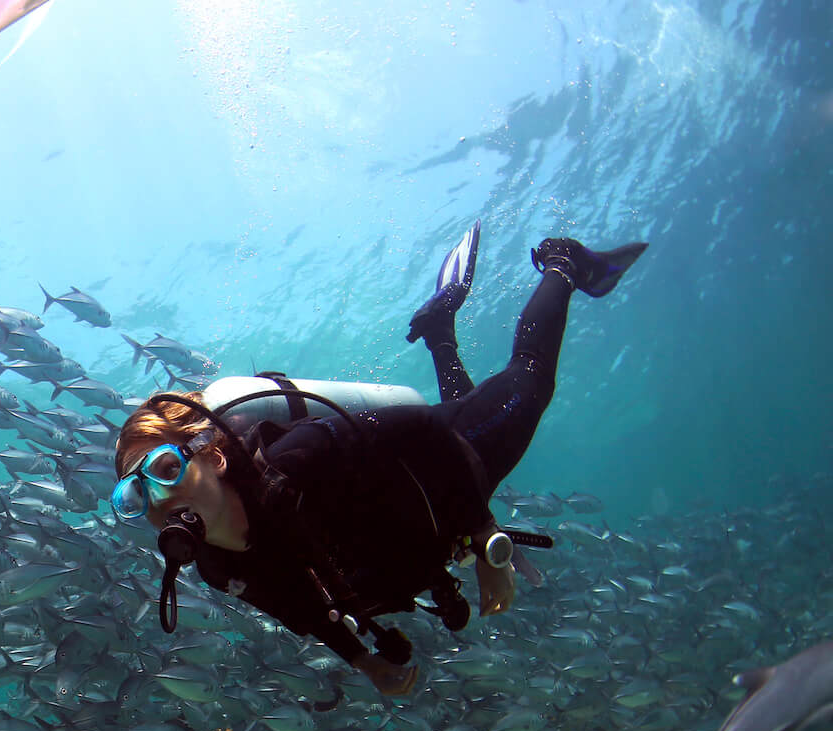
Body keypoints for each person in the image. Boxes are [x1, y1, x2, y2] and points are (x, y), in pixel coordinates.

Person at [112, 226, 647, 696]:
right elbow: (300, 608)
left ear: (211, 458)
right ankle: (439, 331)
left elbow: (420, 428)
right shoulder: (213, 564)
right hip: (428, 518)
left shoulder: (299, 458)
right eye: (133, 494)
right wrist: (364, 661)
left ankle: (563, 262)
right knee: (467, 401)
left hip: (459, 460)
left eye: (163, 469)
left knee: (528, 381)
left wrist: (487, 542)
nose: (157, 498)